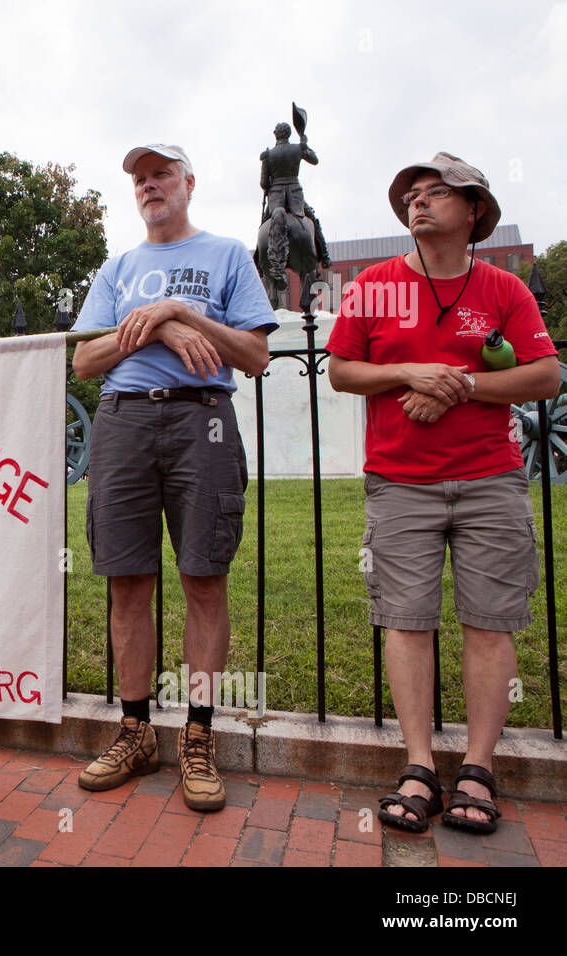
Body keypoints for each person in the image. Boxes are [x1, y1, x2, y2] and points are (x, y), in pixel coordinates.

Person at [327, 153, 559, 835]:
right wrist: (411, 373)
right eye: (413, 196)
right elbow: (341, 371)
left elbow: (545, 375)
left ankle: (479, 769)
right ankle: (421, 764)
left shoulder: (504, 289)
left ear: (474, 212)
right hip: (401, 481)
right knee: (407, 620)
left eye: (436, 194)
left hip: (490, 477)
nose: (419, 203)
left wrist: (458, 385)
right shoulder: (372, 285)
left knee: (489, 623)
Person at [70, 144, 275, 811]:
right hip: (125, 423)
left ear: (189, 183)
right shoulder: (120, 268)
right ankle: (135, 731)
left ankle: (198, 735)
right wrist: (157, 329)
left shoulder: (227, 255)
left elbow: (254, 355)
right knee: (127, 582)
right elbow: (85, 360)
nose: (150, 185)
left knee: (203, 578)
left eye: (161, 174)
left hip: (202, 420)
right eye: (139, 178)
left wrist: (178, 312)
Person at [259, 121, 330, 268]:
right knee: (313, 221)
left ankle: (259, 262)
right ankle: (324, 256)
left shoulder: (268, 154)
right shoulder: (297, 149)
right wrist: (304, 144)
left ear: (275, 135)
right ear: (289, 134)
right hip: (295, 196)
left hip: (275, 198)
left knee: (263, 226)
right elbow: (314, 160)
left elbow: (264, 184)